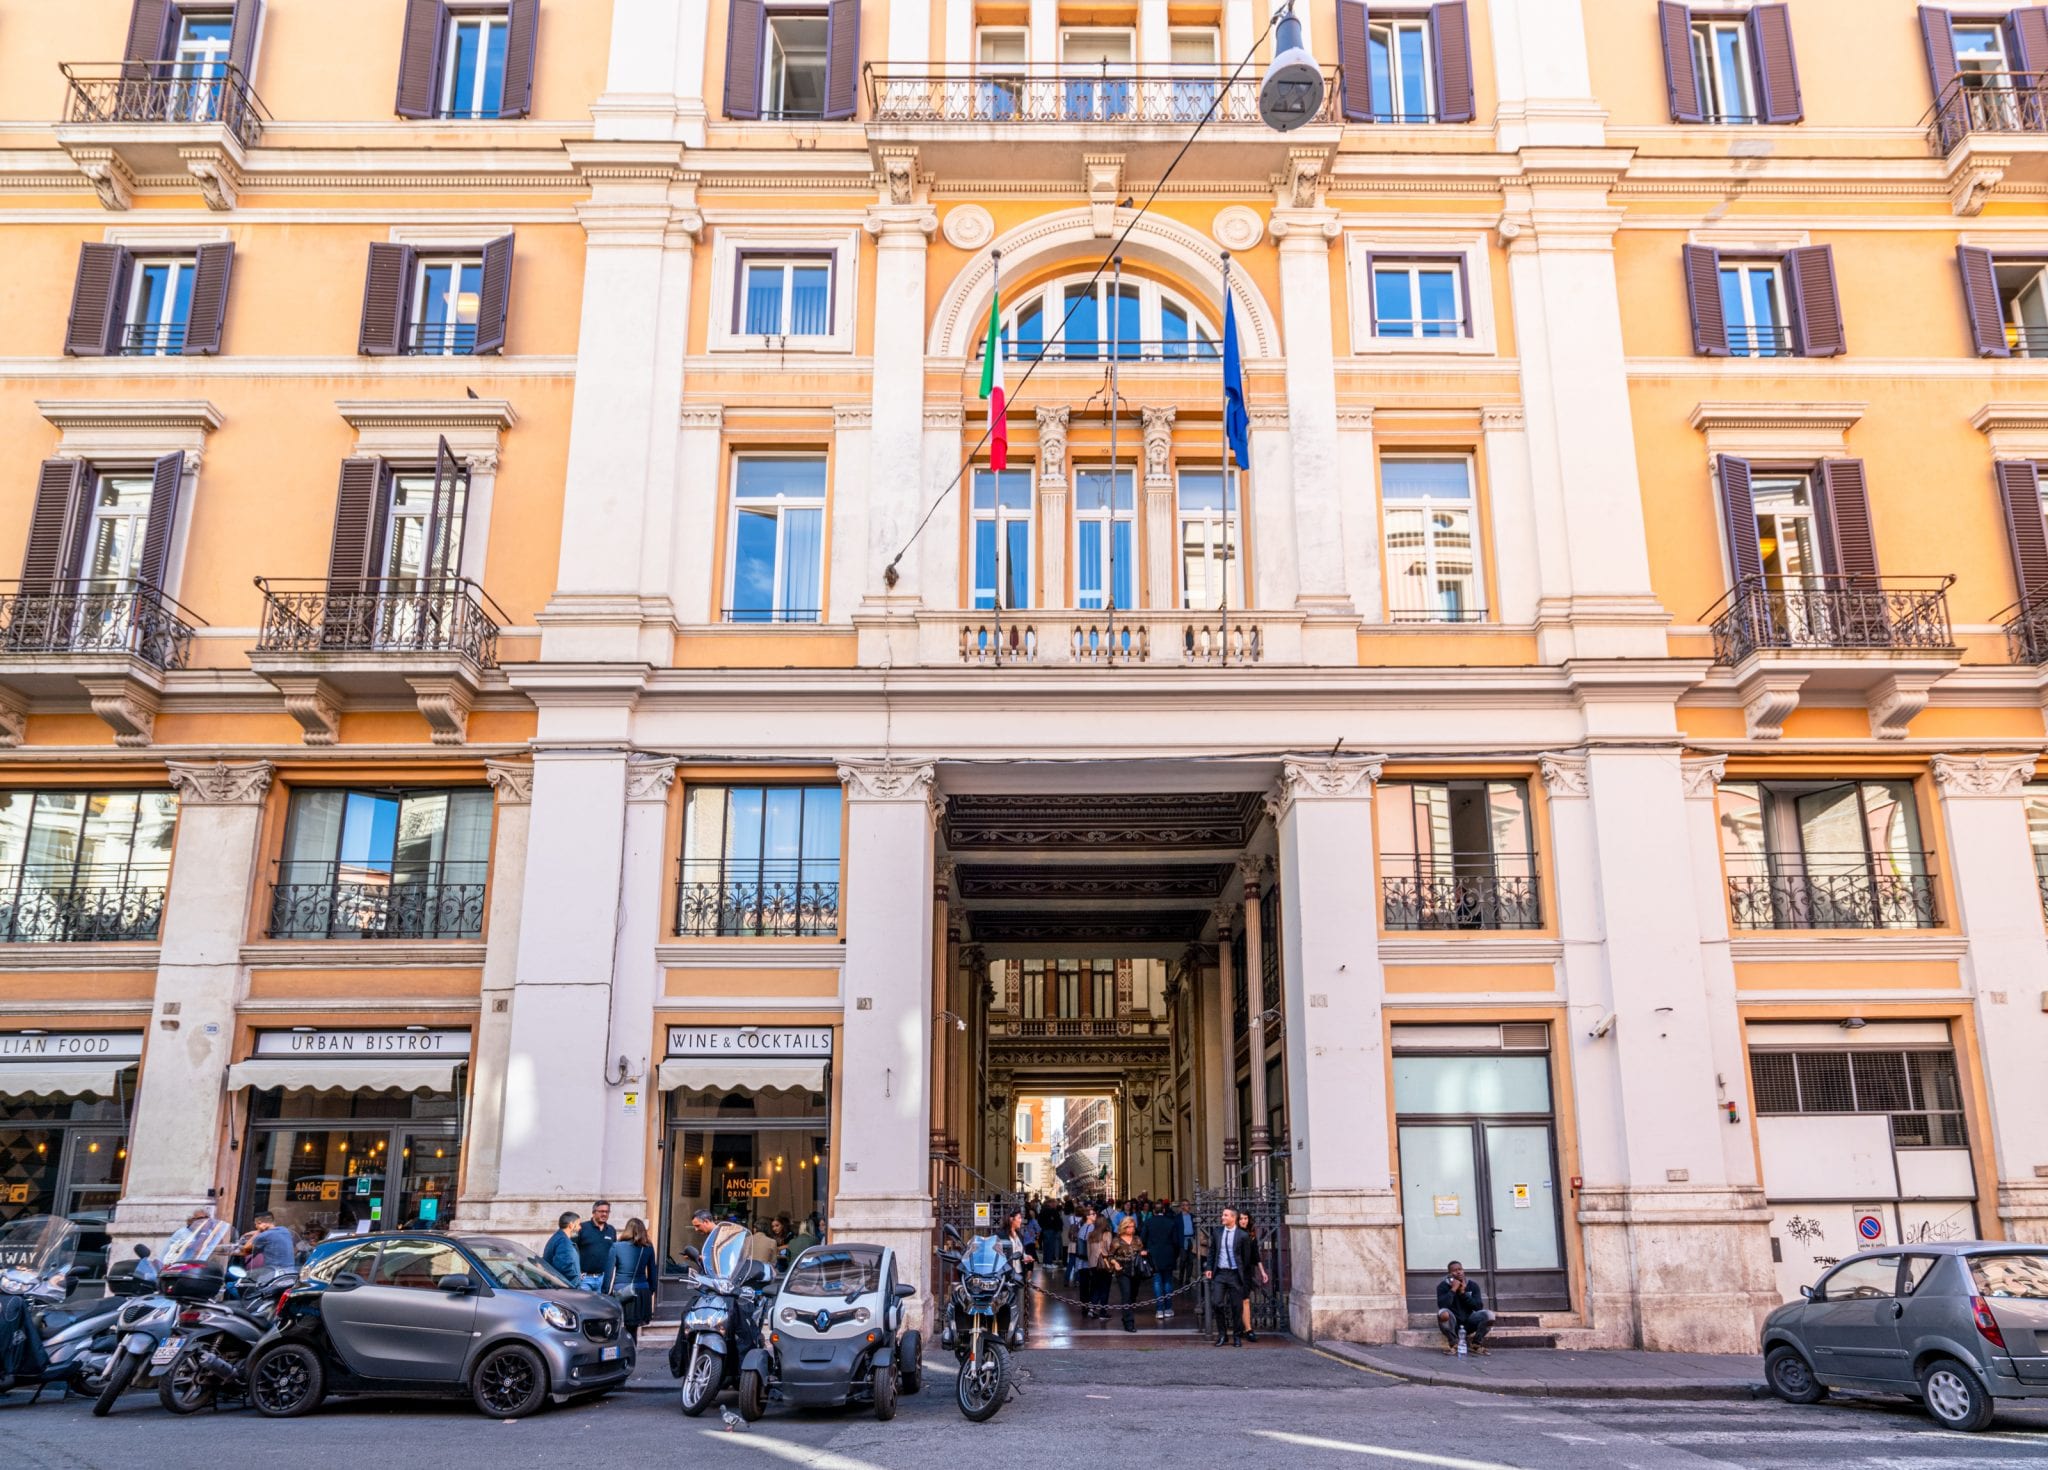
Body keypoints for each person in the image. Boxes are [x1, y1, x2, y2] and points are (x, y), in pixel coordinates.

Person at [1204, 1206, 1254, 1347]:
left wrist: (1242, 1275)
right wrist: (1209, 1268)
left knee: (1237, 1306)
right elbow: (1212, 1251)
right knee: (1217, 1303)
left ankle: (1237, 1336)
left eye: (1226, 1215)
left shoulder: (1243, 1236)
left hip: (1235, 1274)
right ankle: (1222, 1335)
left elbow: (1246, 1259)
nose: (1223, 1217)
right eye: (1223, 1215)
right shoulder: (1217, 1232)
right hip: (1220, 1273)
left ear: (1233, 1218)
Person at [605, 1218, 656, 1342]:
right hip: (641, 1290)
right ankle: (631, 1356)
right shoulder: (648, 1248)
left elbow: (609, 1272)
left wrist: (605, 1291)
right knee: (632, 1329)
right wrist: (651, 1290)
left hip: (621, 1290)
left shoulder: (616, 1246)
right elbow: (652, 1272)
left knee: (614, 1325)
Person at [1437, 1260, 1493, 1355]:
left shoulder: (1472, 1285)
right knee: (1443, 1314)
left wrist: (1463, 1294)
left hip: (1469, 1322)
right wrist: (1453, 1289)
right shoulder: (1442, 1286)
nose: (1458, 1272)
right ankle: (1454, 1343)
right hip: (1453, 1323)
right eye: (1454, 1270)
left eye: (1460, 1269)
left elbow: (1478, 1307)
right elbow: (1443, 1305)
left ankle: (1476, 1344)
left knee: (1490, 1316)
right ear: (1449, 1274)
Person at [1140, 1197, 1181, 1321]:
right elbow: (1176, 1241)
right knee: (1168, 1281)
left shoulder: (1149, 1222)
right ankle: (1168, 1308)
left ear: (1153, 1211)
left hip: (1154, 1255)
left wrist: (1147, 1250)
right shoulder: (1171, 1222)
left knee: (1157, 1281)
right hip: (1168, 1254)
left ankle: (1159, 1310)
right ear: (1164, 1209)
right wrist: (1175, 1254)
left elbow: (1143, 1239)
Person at [1104, 1215, 1142, 1333]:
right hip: (1122, 1271)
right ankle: (1129, 1323)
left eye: (1133, 1227)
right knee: (1126, 1295)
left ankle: (1126, 1316)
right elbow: (1109, 1256)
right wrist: (1115, 1263)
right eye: (1129, 1227)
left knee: (1132, 1296)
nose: (1132, 1229)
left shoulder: (1137, 1239)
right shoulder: (1117, 1241)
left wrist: (1144, 1253)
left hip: (1135, 1271)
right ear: (1124, 1227)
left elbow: (1141, 1251)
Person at [1238, 1211, 1269, 1343]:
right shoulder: (1235, 1234)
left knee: (1245, 1300)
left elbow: (1256, 1255)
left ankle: (1248, 1329)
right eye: (1241, 1219)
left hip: (1246, 1271)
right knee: (1235, 1301)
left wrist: (1262, 1272)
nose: (1243, 1221)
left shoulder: (1251, 1235)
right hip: (1234, 1271)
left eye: (1245, 1218)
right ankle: (1238, 1327)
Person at [574, 1199, 616, 1292]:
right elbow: (572, 1249)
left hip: (603, 1279)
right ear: (593, 1213)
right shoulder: (582, 1228)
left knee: (599, 1306)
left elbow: (613, 1254)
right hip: (584, 1279)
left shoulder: (611, 1230)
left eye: (607, 1212)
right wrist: (576, 1272)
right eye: (601, 1211)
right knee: (585, 1306)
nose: (604, 1214)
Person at [1082, 1206, 1109, 1319]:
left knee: (1095, 1287)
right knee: (1105, 1288)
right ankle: (1103, 1311)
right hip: (1104, 1263)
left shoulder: (1091, 1235)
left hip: (1093, 1264)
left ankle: (1092, 1308)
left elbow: (1088, 1252)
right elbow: (1108, 1250)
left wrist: (1090, 1262)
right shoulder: (1107, 1234)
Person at [544, 1210, 582, 1281]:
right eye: (578, 1224)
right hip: (567, 1288)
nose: (580, 1228)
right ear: (571, 1225)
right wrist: (576, 1280)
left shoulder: (558, 1238)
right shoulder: (564, 1242)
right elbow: (563, 1268)